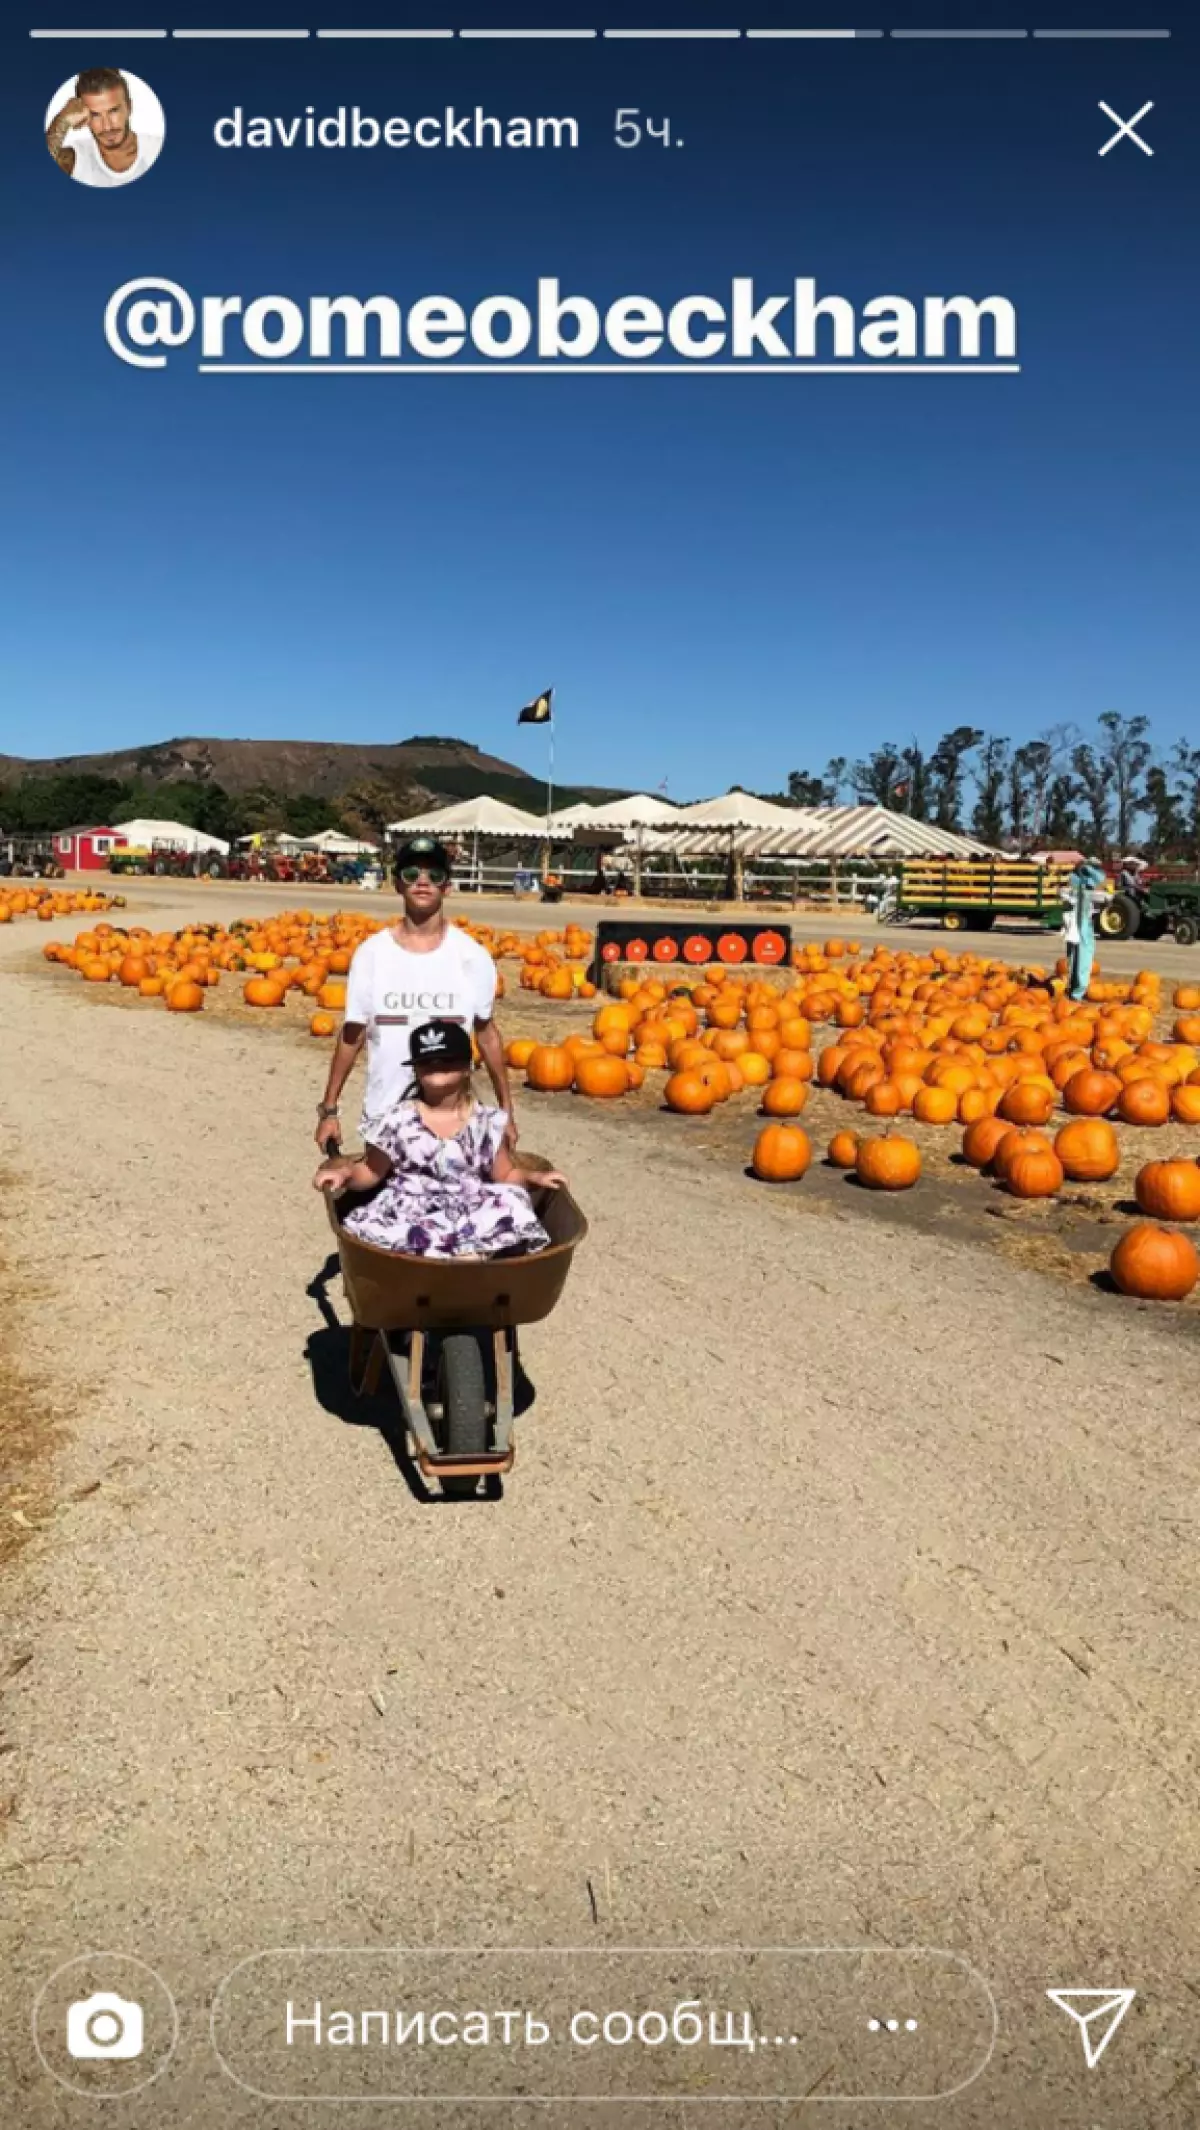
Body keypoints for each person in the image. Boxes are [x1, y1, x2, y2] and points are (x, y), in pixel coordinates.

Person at [315, 835, 517, 1155]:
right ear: (398, 884)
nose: (423, 882)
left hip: (453, 1124)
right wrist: (329, 1110)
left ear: (447, 887)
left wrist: (506, 1111)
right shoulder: (371, 955)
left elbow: (487, 1035)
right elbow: (352, 1035)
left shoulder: (471, 957)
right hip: (384, 1123)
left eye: (434, 875)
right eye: (412, 874)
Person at [314, 1019, 564, 1258]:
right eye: (427, 1062)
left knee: (513, 1200)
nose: (436, 1066)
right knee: (400, 1228)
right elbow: (371, 1171)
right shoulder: (397, 1119)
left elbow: (506, 1175)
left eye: (447, 1061)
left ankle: (470, 1255)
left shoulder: (486, 1121)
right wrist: (345, 1174)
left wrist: (534, 1177)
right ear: (416, 1070)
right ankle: (449, 1258)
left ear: (467, 1067)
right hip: (413, 1209)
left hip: (471, 1206)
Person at [46, 69, 163, 186]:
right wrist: (62, 121)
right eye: (95, 115)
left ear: (129, 107)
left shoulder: (157, 150)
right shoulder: (75, 160)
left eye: (113, 111)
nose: (107, 127)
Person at [1062, 858, 1106, 1001]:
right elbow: (1102, 891)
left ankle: (1074, 987)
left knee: (1074, 953)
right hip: (1081, 922)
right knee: (1083, 953)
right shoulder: (1088, 880)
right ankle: (1077, 990)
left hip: (1075, 922)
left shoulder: (1074, 879)